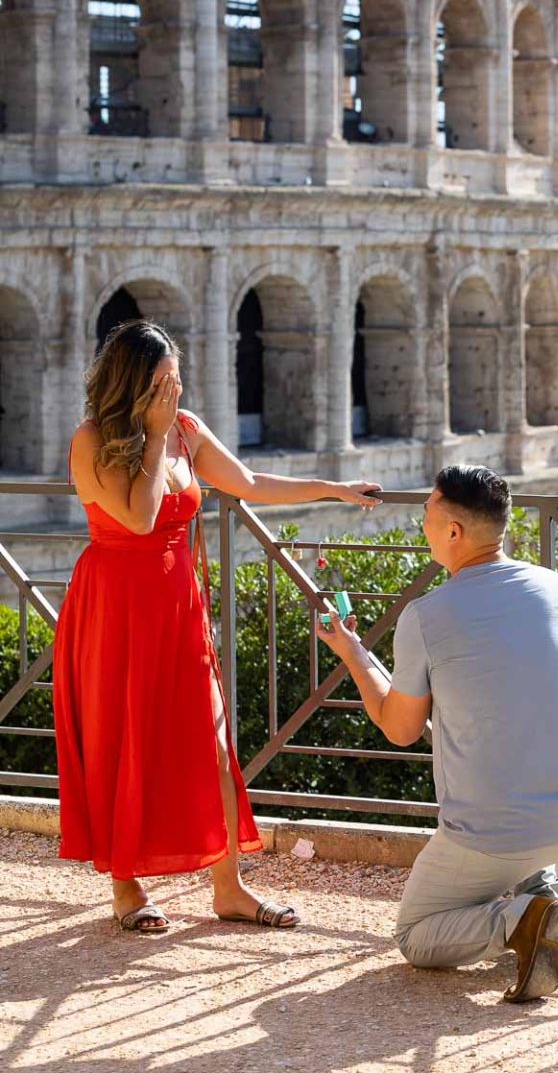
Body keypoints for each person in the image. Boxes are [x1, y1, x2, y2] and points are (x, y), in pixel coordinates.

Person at [54, 319, 381, 933]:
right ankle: (127, 887)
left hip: (177, 607)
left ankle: (228, 887)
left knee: (213, 742)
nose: (174, 393)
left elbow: (251, 483)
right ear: (132, 385)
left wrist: (333, 489)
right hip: (114, 609)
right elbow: (141, 517)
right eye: (161, 383)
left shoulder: (185, 429)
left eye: (176, 380)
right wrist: (153, 440)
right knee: (124, 739)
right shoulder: (91, 440)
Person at [317, 464, 558, 1001]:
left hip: (494, 830)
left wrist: (351, 653)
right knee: (525, 755)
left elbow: (401, 728)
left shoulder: (427, 616)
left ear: (454, 531)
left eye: (426, 513)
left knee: (416, 937)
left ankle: (522, 917)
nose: (420, 525)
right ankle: (542, 885)